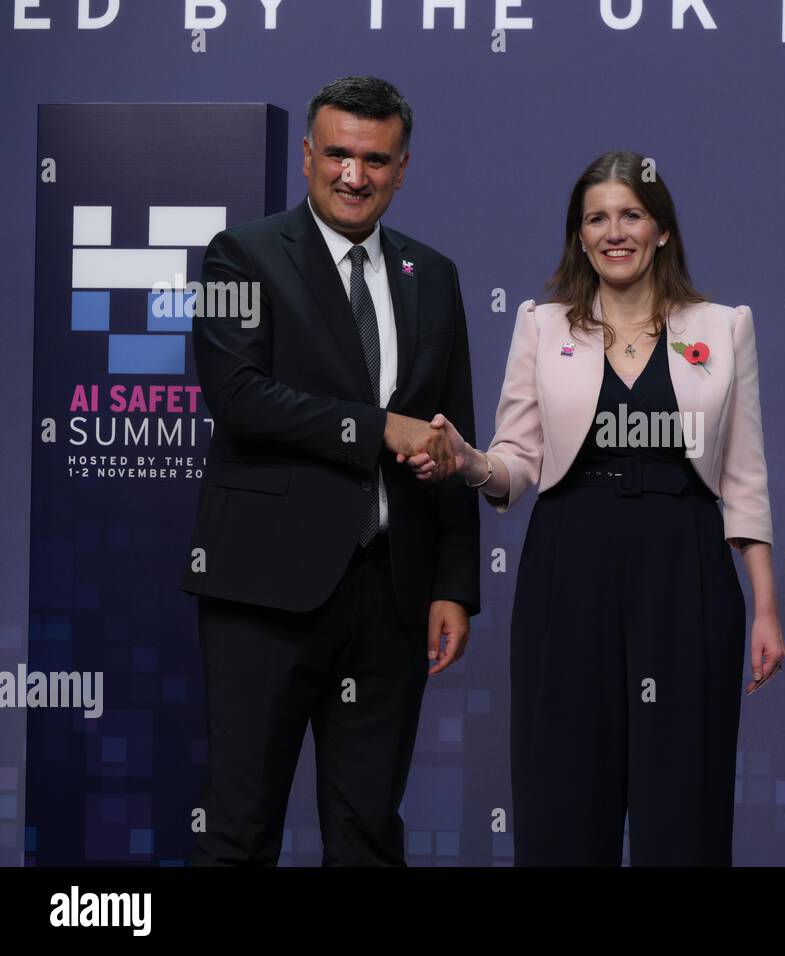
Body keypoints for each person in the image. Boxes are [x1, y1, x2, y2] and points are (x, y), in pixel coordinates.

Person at [403, 149, 785, 866]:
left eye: (632, 215)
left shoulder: (725, 327)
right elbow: (515, 464)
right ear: (579, 236)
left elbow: (744, 476)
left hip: (686, 569)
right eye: (597, 218)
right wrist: (469, 461)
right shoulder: (541, 327)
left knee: (686, 801)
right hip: (569, 567)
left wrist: (765, 606)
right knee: (562, 795)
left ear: (662, 230)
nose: (616, 232)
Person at [180, 76, 479, 866]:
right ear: (308, 155)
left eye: (375, 159)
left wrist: (452, 583)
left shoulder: (434, 275)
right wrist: (380, 428)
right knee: (238, 831)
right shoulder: (240, 254)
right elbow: (238, 397)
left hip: (389, 596)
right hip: (261, 594)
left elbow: (452, 438)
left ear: (402, 167)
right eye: (338, 154)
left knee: (368, 833)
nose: (355, 175)